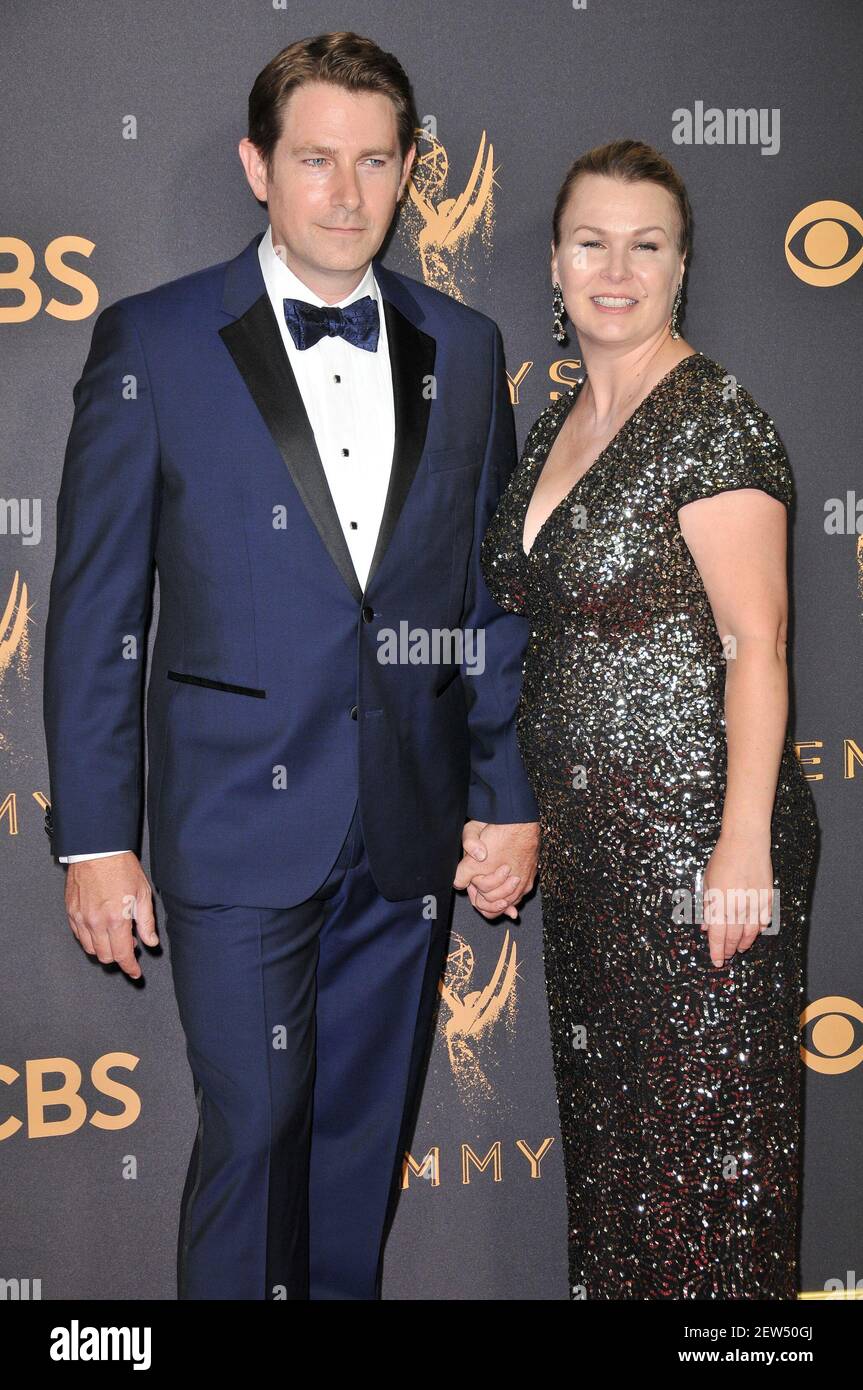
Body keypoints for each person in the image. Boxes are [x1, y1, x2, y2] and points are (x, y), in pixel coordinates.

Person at [43, 31, 539, 1301]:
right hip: (232, 830)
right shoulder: (153, 342)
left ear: (409, 170)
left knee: (357, 1155)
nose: (345, 191)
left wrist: (504, 792)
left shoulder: (468, 349)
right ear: (258, 167)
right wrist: (94, 838)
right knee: (253, 1137)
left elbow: (484, 603)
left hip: (408, 829)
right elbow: (99, 606)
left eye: (374, 161)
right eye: (315, 158)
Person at [477, 139, 819, 1298]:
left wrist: (740, 846)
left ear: (680, 265)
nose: (613, 270)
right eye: (591, 243)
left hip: (695, 849)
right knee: (623, 1172)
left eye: (645, 244)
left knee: (704, 1179)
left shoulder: (712, 415)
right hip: (591, 865)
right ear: (555, 264)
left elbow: (756, 644)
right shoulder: (555, 426)